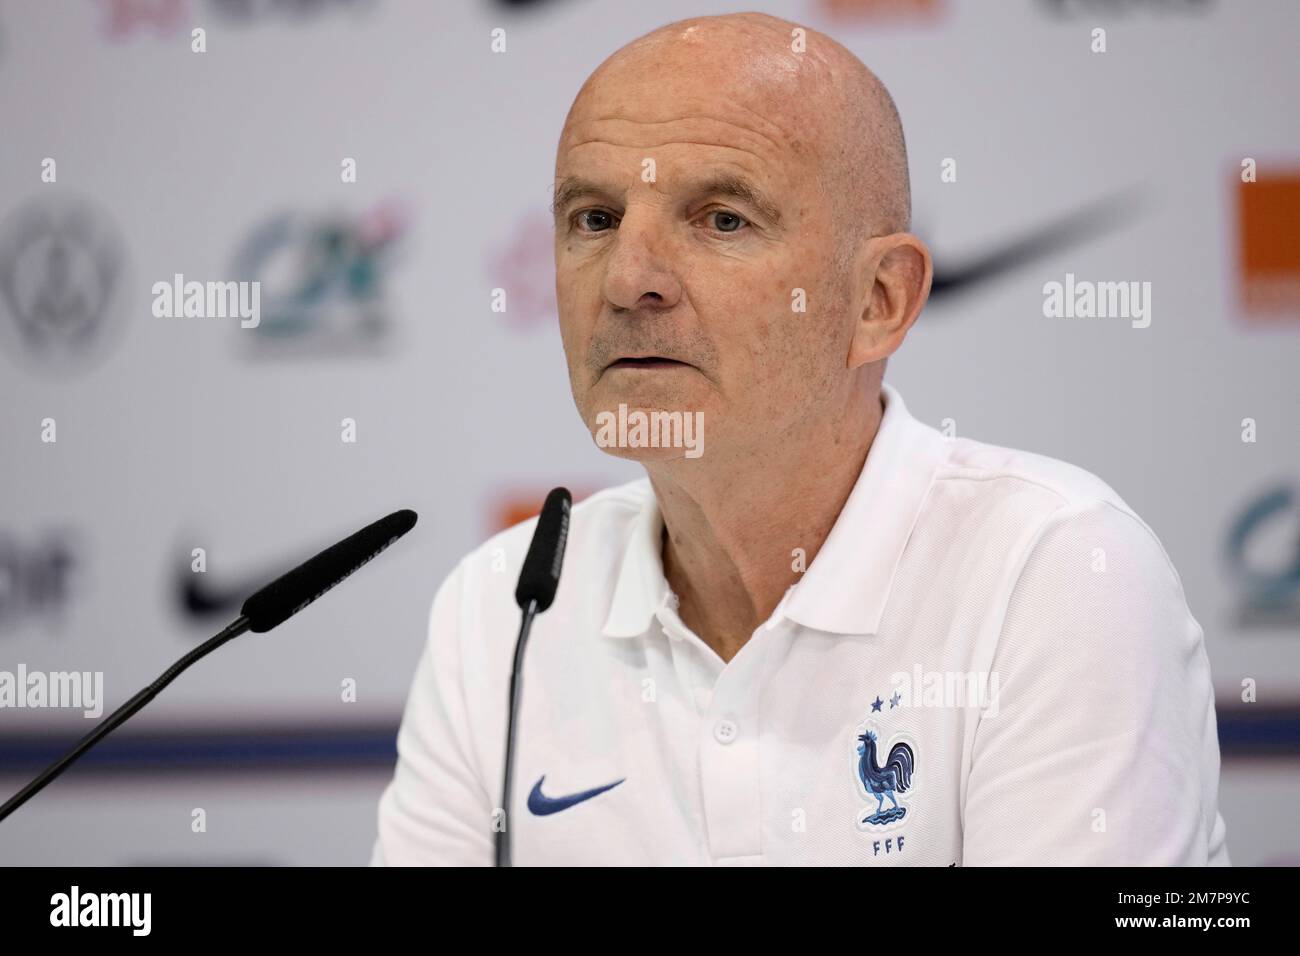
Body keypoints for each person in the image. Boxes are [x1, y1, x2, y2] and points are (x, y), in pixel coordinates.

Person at [372, 12, 1229, 865]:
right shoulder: (502, 610)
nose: (629, 279)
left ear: (878, 302)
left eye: (721, 219)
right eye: (594, 219)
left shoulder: (1054, 574)